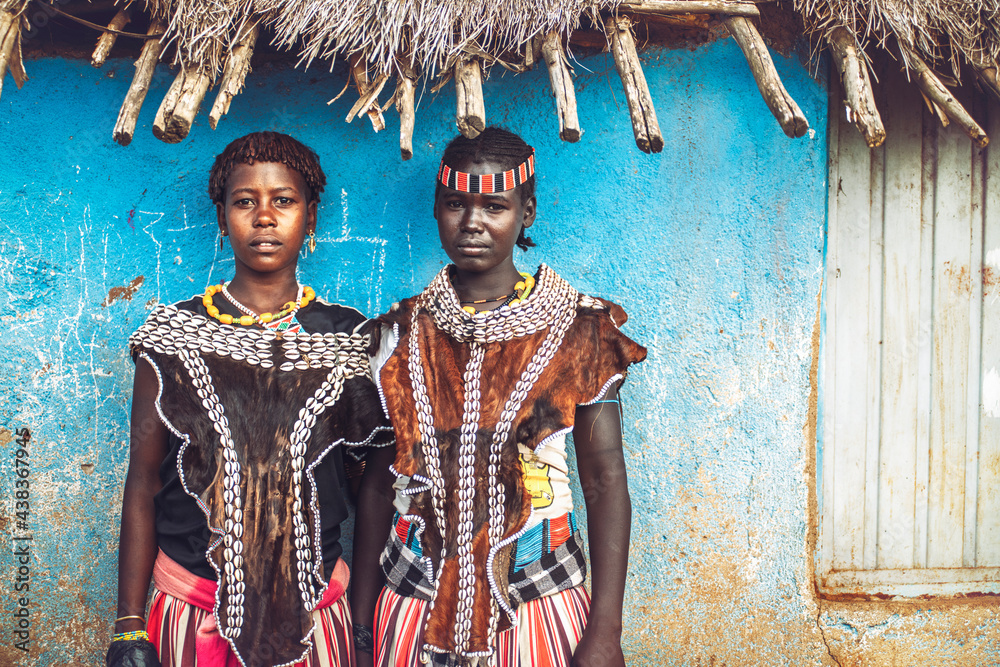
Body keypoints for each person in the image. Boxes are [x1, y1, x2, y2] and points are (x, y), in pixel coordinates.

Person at [350, 127, 647, 667]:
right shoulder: (397, 334)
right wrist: (362, 615)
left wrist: (605, 632)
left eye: (494, 205)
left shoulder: (582, 331)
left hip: (539, 595)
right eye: (456, 204)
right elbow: (376, 483)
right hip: (413, 597)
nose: (473, 223)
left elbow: (604, 480)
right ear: (437, 209)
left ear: (526, 212)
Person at [109, 131, 392, 667]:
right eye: (245, 202)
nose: (264, 217)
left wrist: (359, 620)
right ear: (222, 218)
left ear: (310, 218)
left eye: (283, 201)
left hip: (315, 617)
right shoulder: (173, 337)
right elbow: (143, 480)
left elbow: (372, 483)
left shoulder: (352, 341)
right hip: (192, 609)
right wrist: (128, 626)